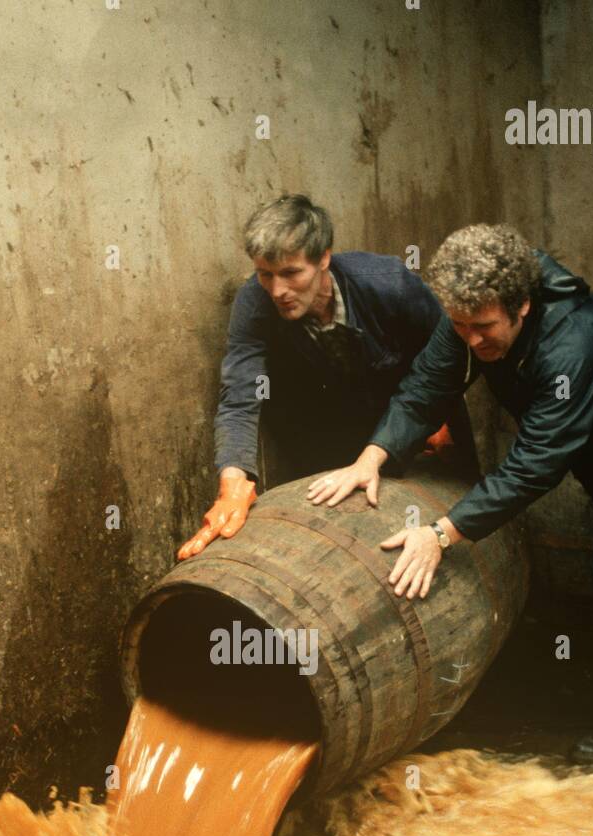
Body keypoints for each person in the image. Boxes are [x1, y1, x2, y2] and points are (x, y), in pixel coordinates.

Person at [308, 223, 593, 762]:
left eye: (484, 327)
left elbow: (532, 466)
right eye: (459, 326)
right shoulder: (469, 318)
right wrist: (371, 457)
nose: (471, 339)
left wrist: (441, 533)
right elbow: (426, 387)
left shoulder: (575, 342)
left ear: (521, 305)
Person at [177, 194, 474, 561]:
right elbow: (240, 394)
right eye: (265, 274)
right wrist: (234, 479)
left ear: (324, 260)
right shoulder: (255, 302)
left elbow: (451, 351)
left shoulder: (389, 284)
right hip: (328, 429)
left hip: (411, 413)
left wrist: (440, 420)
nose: (277, 290)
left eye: (291, 273)